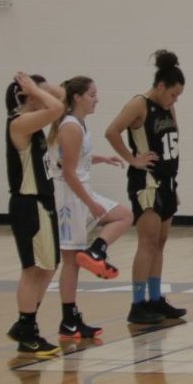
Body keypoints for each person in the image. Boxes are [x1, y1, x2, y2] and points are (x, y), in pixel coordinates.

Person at [50, 76, 134, 342]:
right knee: (70, 262)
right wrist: (91, 203)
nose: (96, 99)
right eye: (92, 94)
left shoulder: (79, 124)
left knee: (124, 215)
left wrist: (102, 158)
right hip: (70, 197)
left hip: (79, 192)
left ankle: (95, 251)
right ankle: (69, 320)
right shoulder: (70, 127)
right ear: (77, 97)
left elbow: (76, 159)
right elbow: (69, 172)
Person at [105, 49, 185, 327]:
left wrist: (174, 183)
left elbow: (172, 145)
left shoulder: (167, 107)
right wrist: (132, 159)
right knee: (147, 243)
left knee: (160, 243)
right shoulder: (139, 104)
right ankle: (137, 304)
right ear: (160, 86)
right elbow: (111, 131)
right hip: (147, 183)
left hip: (167, 182)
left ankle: (155, 298)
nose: (175, 100)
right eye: (173, 94)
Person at [5, 72, 66, 357]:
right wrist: (33, 91)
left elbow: (60, 97)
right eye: (37, 93)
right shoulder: (19, 123)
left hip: (43, 201)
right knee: (33, 270)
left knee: (49, 265)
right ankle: (27, 330)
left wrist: (36, 86)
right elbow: (58, 107)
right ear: (25, 96)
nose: (46, 95)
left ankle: (24, 323)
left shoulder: (35, 121)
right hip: (28, 203)